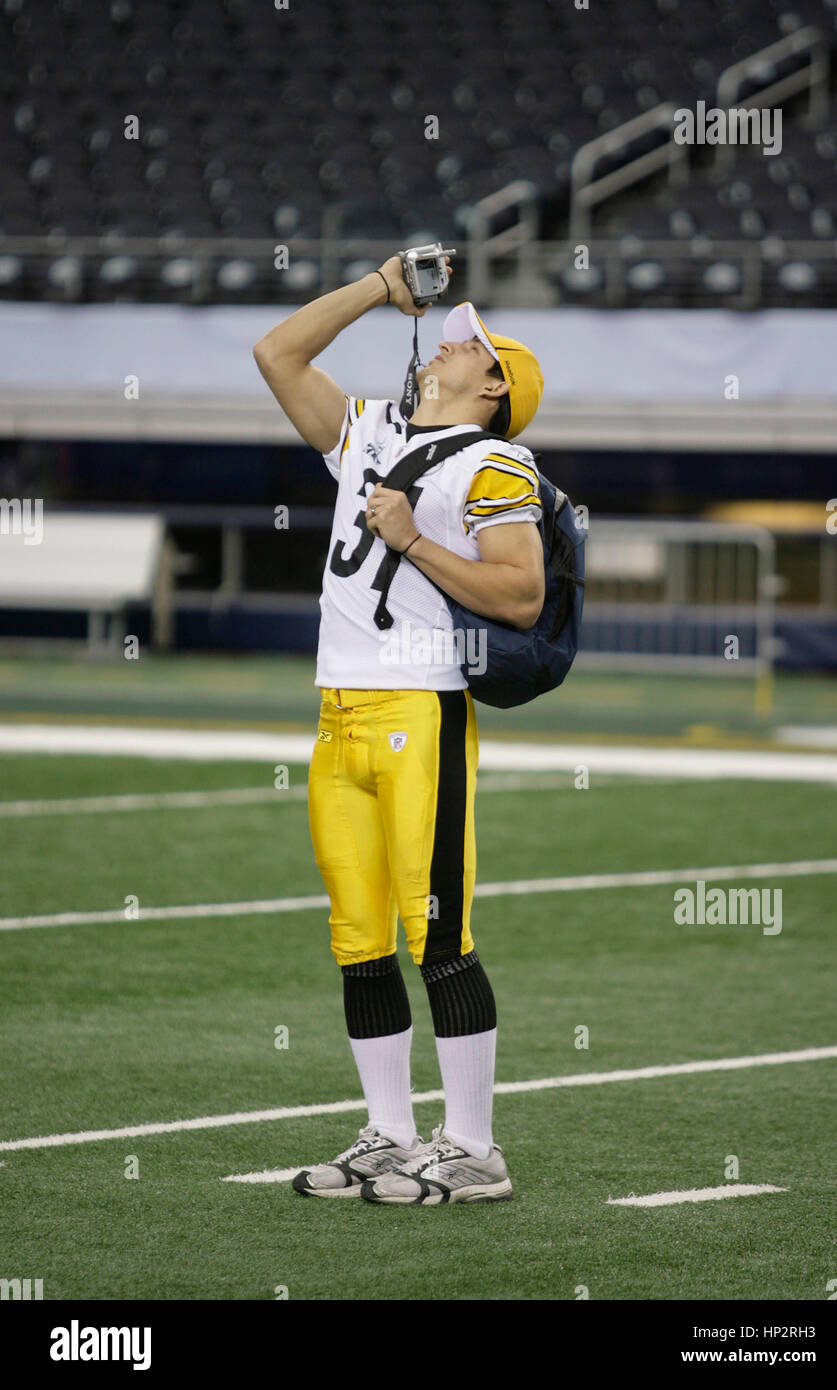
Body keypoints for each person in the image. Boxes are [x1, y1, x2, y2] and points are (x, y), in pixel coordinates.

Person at [253, 255, 545, 1204]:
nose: (444, 342)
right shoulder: (370, 429)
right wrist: (381, 286)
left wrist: (412, 536)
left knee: (439, 932)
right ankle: (388, 1128)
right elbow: (277, 351)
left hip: (420, 710)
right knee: (356, 934)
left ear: (493, 382)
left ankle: (474, 1147)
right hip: (337, 709)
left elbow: (522, 594)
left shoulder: (494, 462)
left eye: (465, 342)